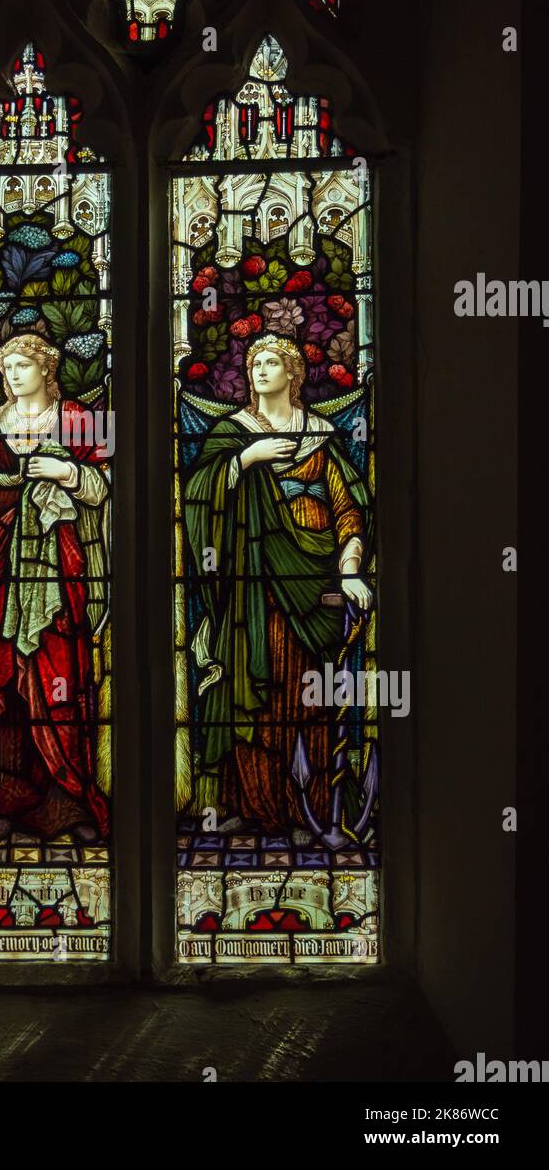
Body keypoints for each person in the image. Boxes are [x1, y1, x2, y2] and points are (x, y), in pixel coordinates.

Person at [184, 333, 373, 841]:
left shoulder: (322, 436)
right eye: (255, 363)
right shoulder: (233, 433)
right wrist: (247, 459)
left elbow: (349, 510)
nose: (260, 370)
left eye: (272, 362)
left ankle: (307, 807)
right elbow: (197, 495)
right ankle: (253, 803)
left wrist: (351, 567)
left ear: (294, 373)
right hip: (253, 590)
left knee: (308, 699)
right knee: (251, 691)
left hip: (315, 592)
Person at [0, 333, 110, 843]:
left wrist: (68, 472)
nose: (13, 374)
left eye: (22, 365)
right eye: (6, 366)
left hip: (60, 569)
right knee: (1, 682)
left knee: (59, 679)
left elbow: (106, 488)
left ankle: (70, 798)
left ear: (47, 368)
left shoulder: (80, 418)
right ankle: (5, 802)